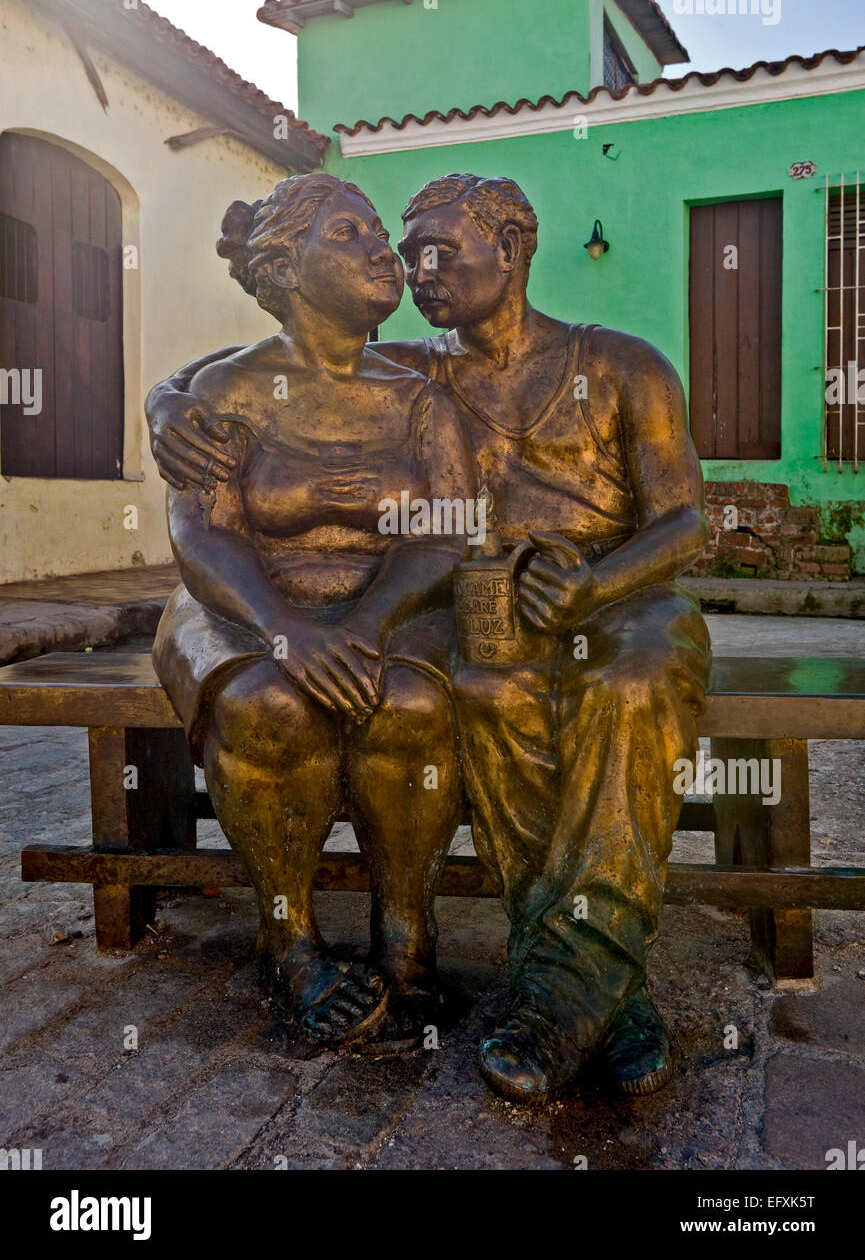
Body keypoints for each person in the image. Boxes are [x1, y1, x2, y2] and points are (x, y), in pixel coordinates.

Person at [146, 173, 710, 1104]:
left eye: (442, 248)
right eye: (410, 253)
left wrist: (594, 582)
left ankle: (579, 984)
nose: (416, 267)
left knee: (624, 688)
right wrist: (167, 401)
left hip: (617, 596)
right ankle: (576, 976)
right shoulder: (415, 362)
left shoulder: (618, 364)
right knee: (482, 696)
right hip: (494, 611)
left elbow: (685, 520)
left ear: (514, 248)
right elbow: (276, 340)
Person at [150, 174, 475, 1051]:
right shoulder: (222, 392)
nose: (386, 251)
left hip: (388, 600)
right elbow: (204, 540)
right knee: (266, 704)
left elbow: (444, 532)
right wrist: (287, 632)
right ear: (286, 267)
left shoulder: (417, 396)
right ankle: (288, 940)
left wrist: (362, 628)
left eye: (379, 233)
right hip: (238, 598)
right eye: (349, 234)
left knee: (408, 704)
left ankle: (406, 932)